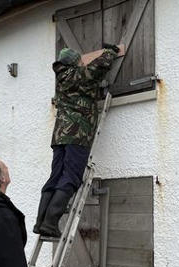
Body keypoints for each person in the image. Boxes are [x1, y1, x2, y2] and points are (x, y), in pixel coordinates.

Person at [33, 43, 124, 238]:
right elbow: (98, 67)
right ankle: (50, 223)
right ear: (74, 63)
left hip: (60, 136)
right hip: (77, 134)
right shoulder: (76, 76)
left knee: (55, 176)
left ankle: (40, 222)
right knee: (71, 177)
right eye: (80, 61)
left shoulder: (62, 77)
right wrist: (111, 52)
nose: (82, 63)